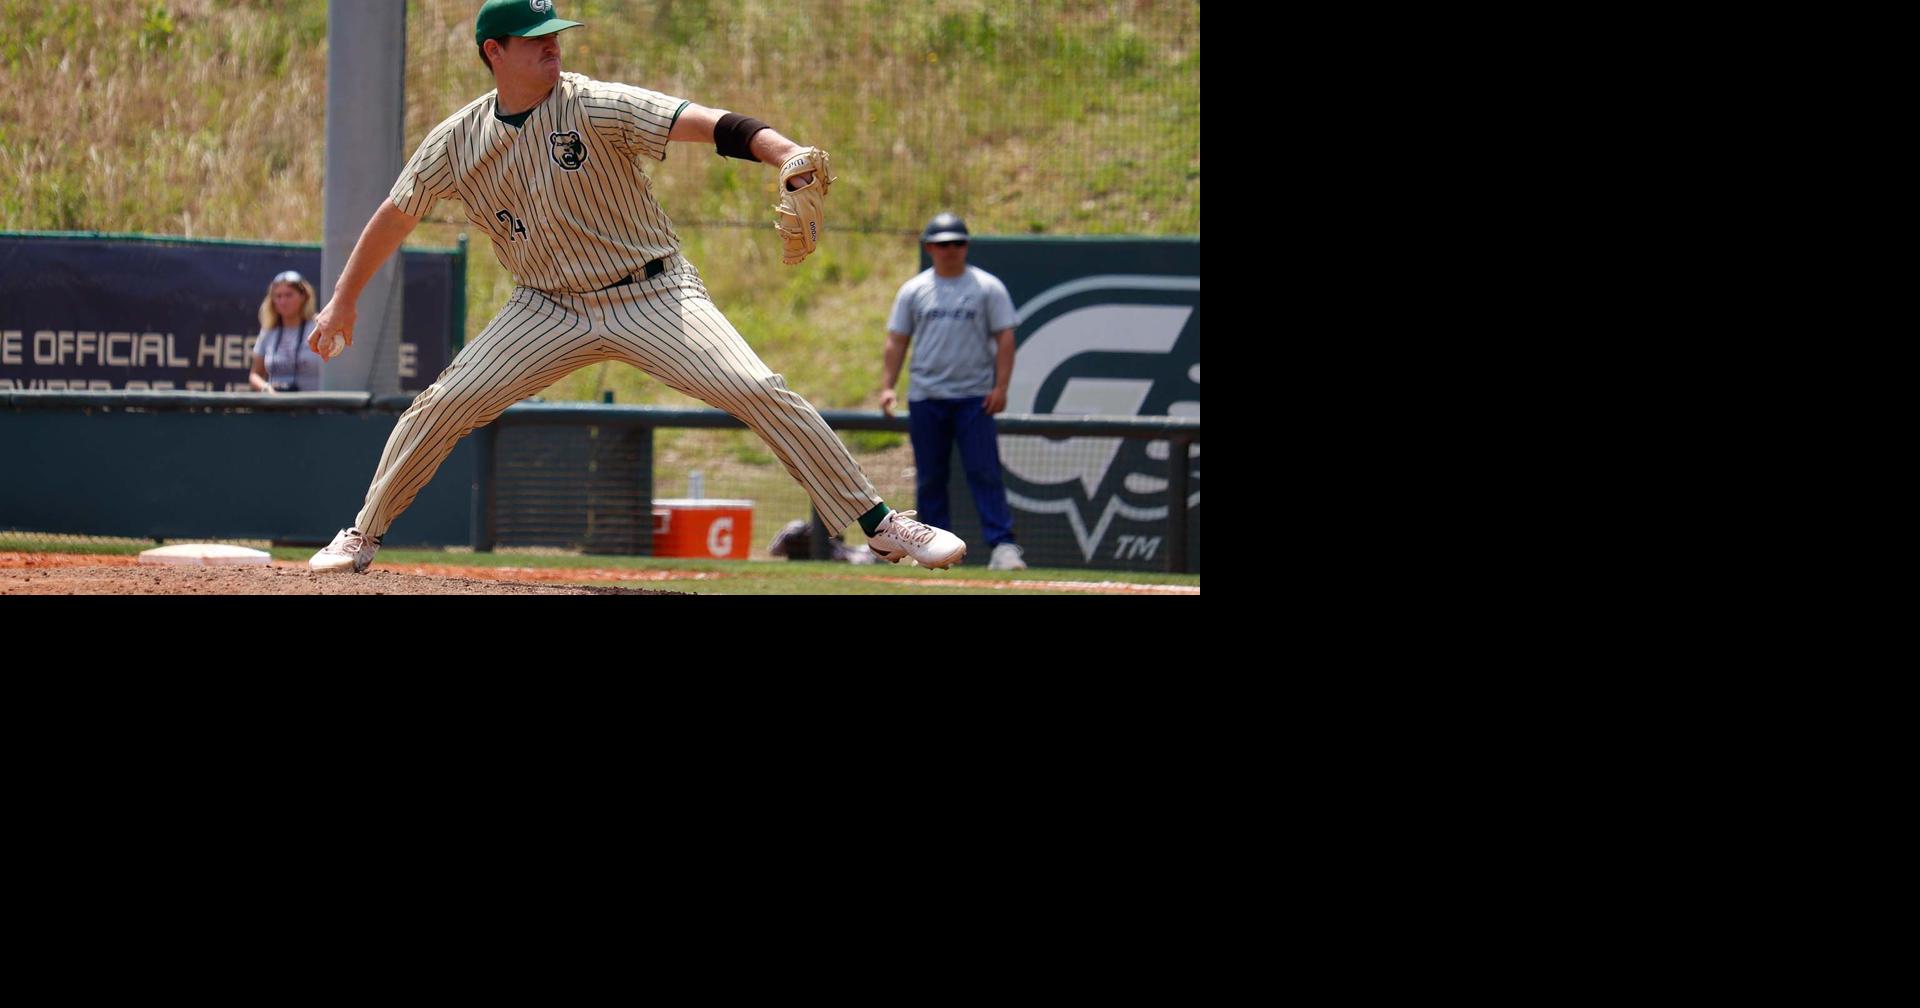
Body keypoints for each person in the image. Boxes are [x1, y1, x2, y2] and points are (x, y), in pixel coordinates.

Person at [305, 0, 964, 574]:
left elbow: (706, 123)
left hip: (653, 293)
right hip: (546, 306)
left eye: (556, 33)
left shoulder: (591, 101)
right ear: (494, 52)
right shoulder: (456, 141)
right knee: (442, 404)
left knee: (756, 388)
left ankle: (882, 525)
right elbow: (397, 215)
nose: (553, 45)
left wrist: (784, 150)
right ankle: (363, 532)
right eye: (536, 40)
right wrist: (342, 300)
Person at [878, 212, 1027, 571]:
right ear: (929, 247)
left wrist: (1001, 386)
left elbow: (1005, 338)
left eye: (958, 243)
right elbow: (897, 340)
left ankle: (1003, 546)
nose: (951, 250)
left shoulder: (987, 287)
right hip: (927, 397)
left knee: (984, 471)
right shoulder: (914, 290)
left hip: (974, 398)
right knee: (930, 476)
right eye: (943, 244)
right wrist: (887, 387)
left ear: (967, 246)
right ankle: (933, 547)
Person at [249, 270, 322, 393]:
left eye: (289, 295)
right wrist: (266, 388)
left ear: (304, 297)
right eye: (278, 296)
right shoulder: (268, 331)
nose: (283, 301)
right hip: (277, 406)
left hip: (312, 406)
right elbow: (254, 375)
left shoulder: (318, 327)